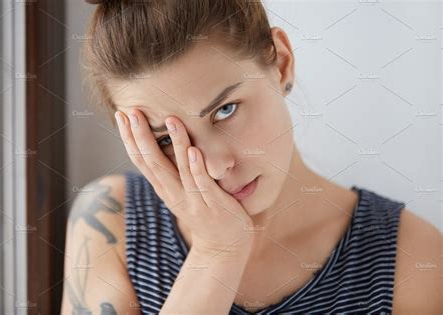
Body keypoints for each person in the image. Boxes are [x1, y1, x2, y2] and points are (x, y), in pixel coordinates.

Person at [61, 0, 442, 314]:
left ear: (281, 63)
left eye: (225, 110)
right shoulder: (112, 221)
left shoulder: (410, 257)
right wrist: (217, 253)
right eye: (166, 140)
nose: (213, 166)